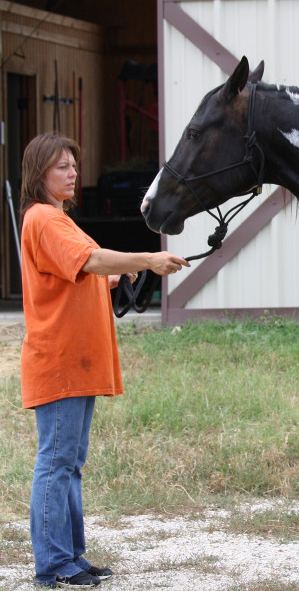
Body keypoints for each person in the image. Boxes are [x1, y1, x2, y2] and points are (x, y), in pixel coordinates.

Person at [19, 133, 189, 588]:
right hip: (60, 360)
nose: (72, 173)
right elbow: (88, 259)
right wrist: (147, 258)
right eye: (61, 167)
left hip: (76, 361)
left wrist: (112, 275)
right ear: (39, 174)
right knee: (56, 463)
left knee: (68, 463)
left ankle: (70, 556)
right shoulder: (45, 220)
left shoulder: (58, 219)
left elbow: (77, 272)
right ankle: (54, 564)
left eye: (74, 165)